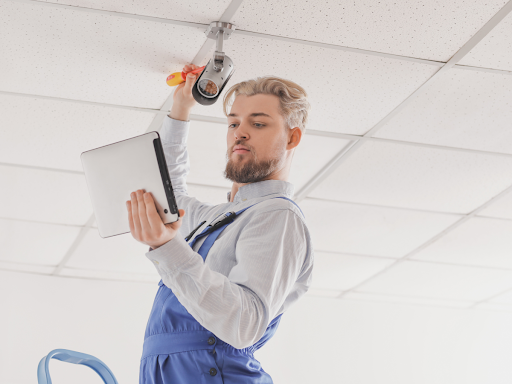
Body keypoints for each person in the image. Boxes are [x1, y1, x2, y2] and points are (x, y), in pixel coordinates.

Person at [126, 64, 315, 383]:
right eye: (233, 123)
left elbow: (245, 325)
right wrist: (182, 106)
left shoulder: (277, 216)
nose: (240, 132)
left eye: (258, 123)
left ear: (292, 137)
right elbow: (166, 188)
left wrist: (167, 247)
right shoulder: (216, 220)